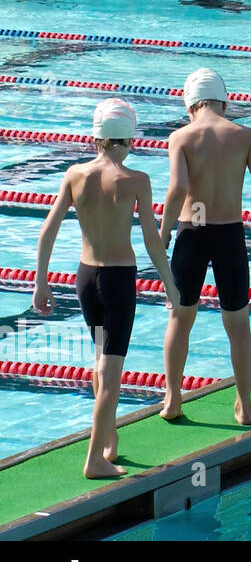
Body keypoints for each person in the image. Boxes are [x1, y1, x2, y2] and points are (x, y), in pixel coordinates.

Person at [33, 99, 180, 478]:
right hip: (117, 283)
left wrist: (40, 280)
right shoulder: (136, 181)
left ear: (96, 137)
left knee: (100, 357)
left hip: (86, 281)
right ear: (129, 137)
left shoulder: (74, 175)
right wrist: (172, 287)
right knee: (112, 371)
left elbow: (48, 229)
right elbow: (152, 240)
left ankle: (109, 439)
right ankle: (95, 459)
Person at [159, 69, 251, 426]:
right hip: (229, 235)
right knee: (238, 323)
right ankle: (244, 406)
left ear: (191, 105)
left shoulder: (181, 137)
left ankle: (172, 398)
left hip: (192, 232)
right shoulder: (244, 135)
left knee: (180, 317)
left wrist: (163, 232)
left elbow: (176, 191)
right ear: (224, 101)